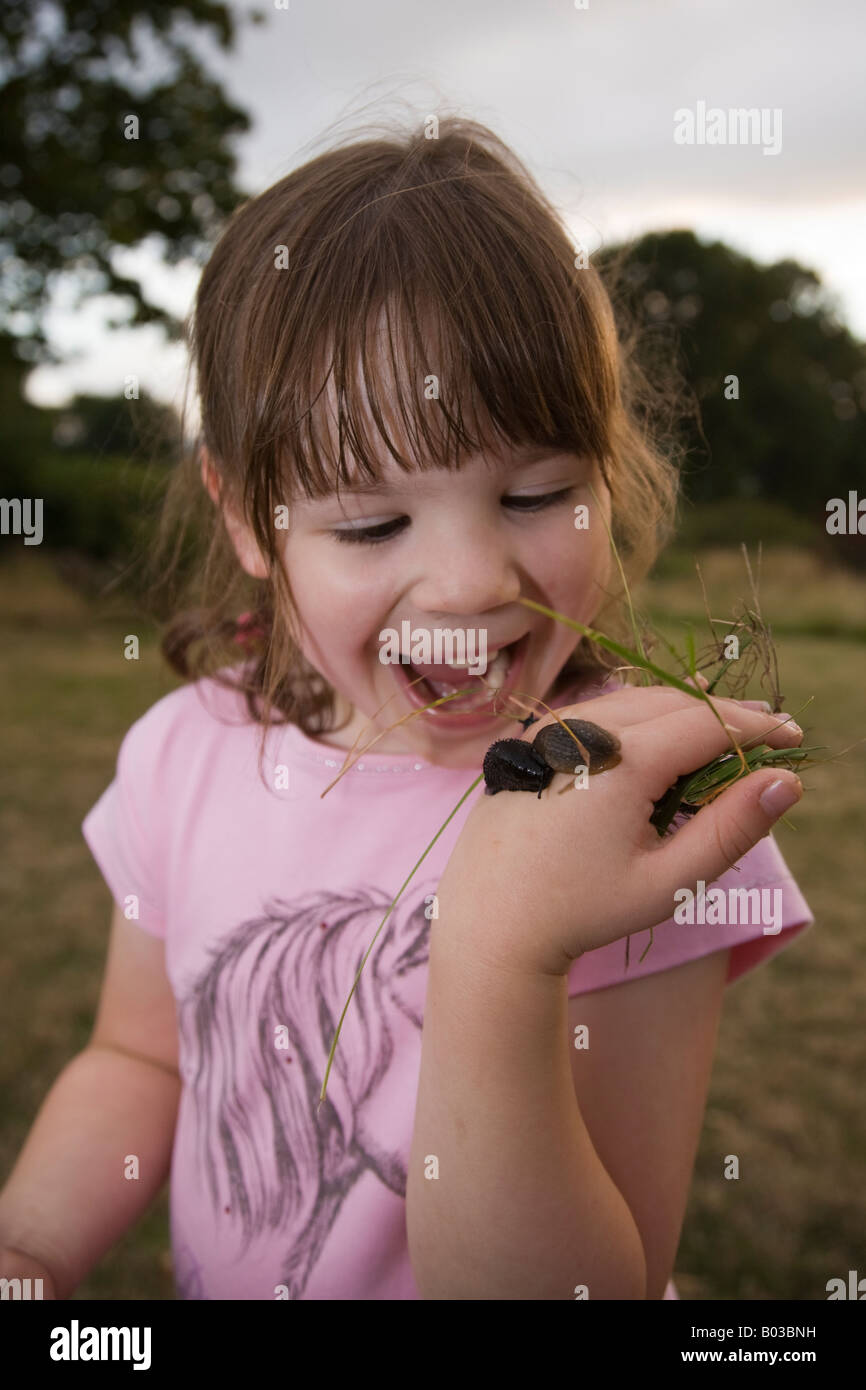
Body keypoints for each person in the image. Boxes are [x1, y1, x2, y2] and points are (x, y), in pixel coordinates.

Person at [0, 117, 812, 1301]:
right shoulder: (182, 755)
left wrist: (496, 953)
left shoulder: (649, 808)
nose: (473, 579)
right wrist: (29, 1246)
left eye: (537, 492)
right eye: (372, 523)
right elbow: (138, 1055)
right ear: (246, 516)